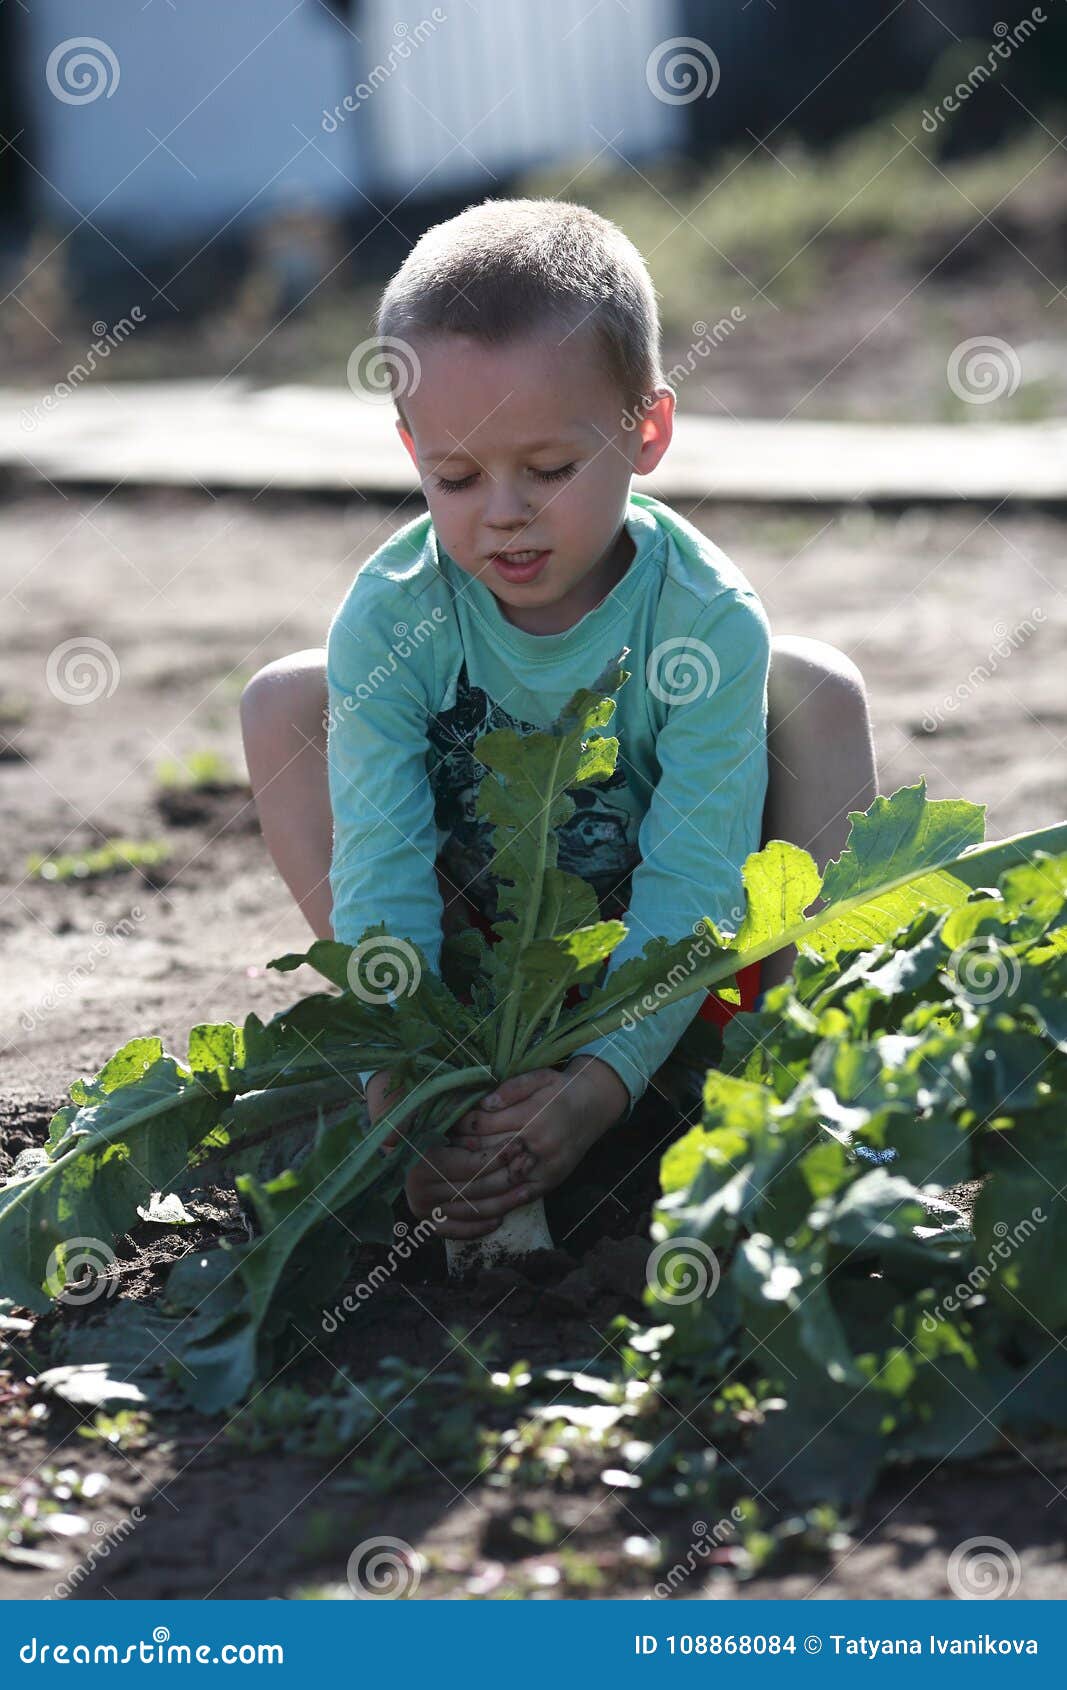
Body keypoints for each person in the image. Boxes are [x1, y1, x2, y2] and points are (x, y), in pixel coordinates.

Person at [240, 198, 877, 1250]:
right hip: (478, 961)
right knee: (281, 700)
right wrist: (407, 1102)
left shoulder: (703, 621)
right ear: (409, 448)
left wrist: (590, 1092)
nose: (502, 511)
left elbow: (694, 882)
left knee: (818, 690)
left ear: (647, 431)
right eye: (454, 476)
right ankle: (434, 1067)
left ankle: (764, 1066)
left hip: (672, 967)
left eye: (547, 471)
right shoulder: (395, 614)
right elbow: (384, 873)